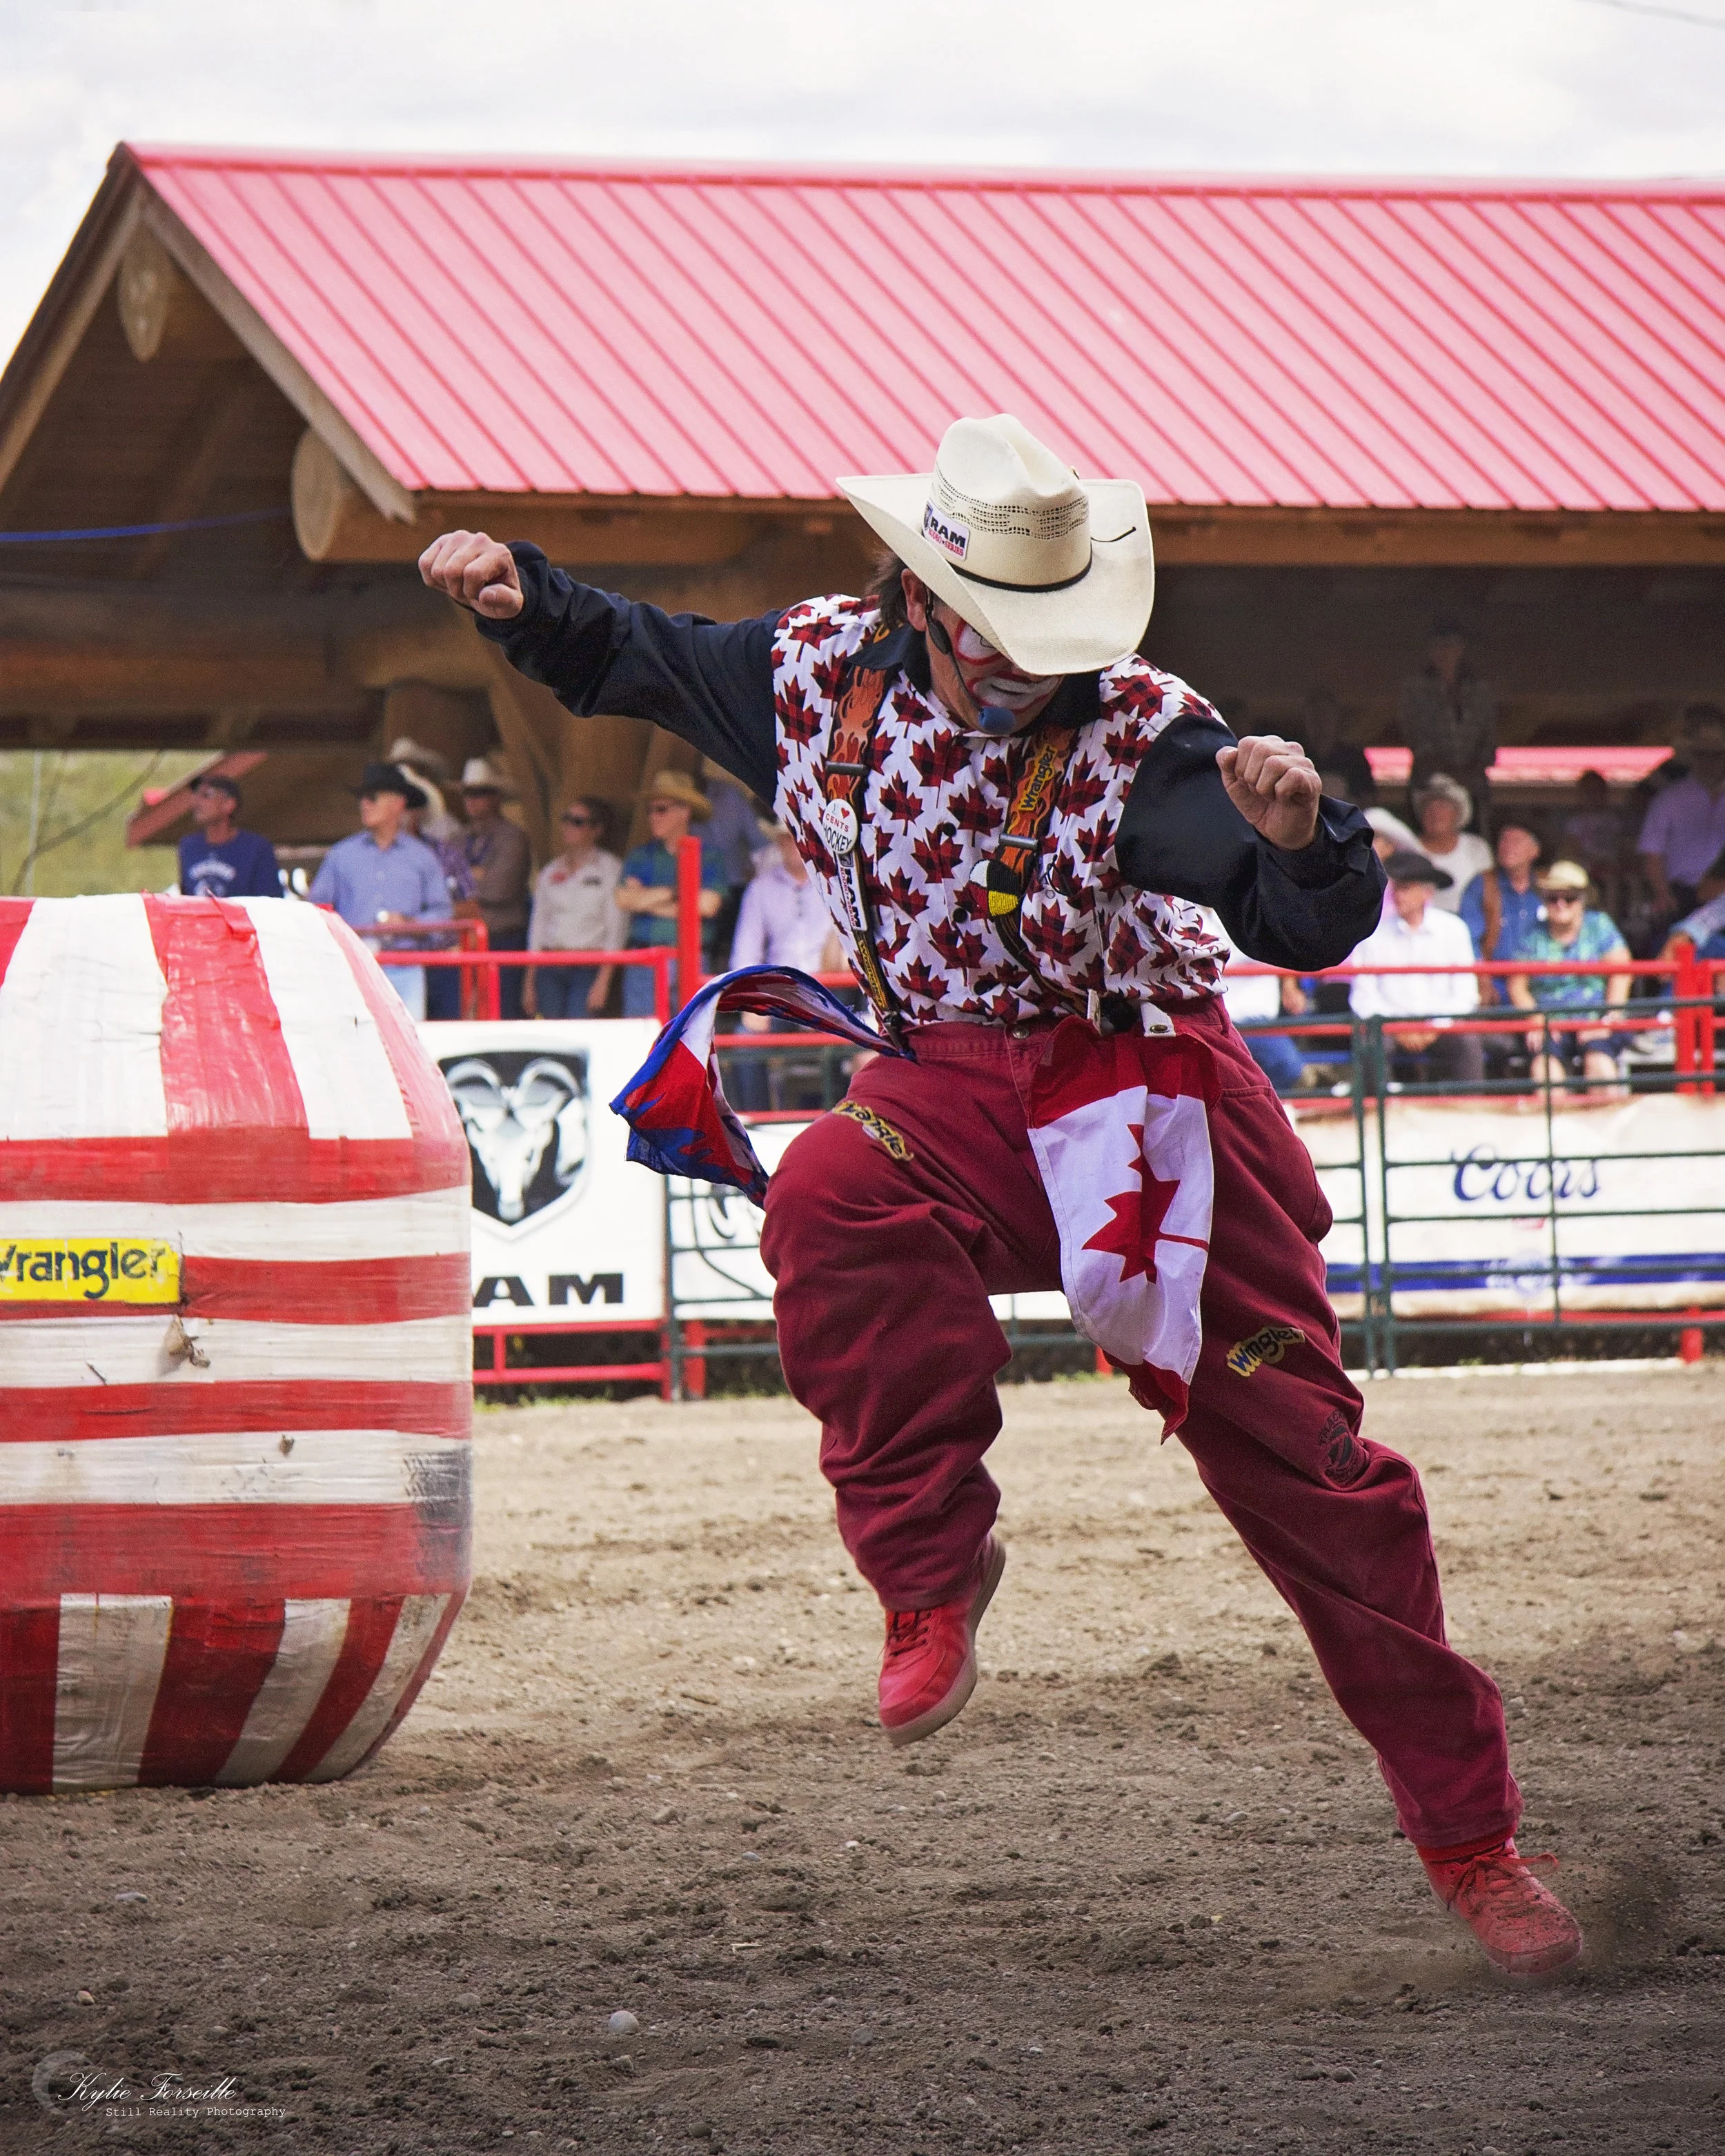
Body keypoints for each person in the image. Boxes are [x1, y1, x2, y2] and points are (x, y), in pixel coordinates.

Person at [420, 411, 1584, 1977]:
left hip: (1146, 1085)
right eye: (994, 634)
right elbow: (637, 652)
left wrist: (1301, 842)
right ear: (922, 601)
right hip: (951, 1075)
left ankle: (1475, 1840)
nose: (1020, 667)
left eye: (1045, 637)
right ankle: (930, 1571)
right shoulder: (811, 669)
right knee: (830, 1190)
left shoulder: (1153, 737)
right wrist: (519, 597)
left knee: (1310, 1469)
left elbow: (1289, 918)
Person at [308, 761, 451, 1020]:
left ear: (398, 804)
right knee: (357, 1044)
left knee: (410, 1043)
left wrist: (409, 923)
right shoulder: (341, 856)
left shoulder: (423, 858)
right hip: (353, 966)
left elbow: (443, 914)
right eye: (362, 798)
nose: (365, 804)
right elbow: (316, 911)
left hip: (406, 966)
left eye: (372, 798)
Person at [726, 824, 847, 1108]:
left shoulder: (835, 885)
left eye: (797, 838)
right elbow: (745, 954)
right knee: (746, 1038)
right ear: (779, 843)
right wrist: (750, 1002)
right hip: (780, 993)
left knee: (861, 1037)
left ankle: (845, 1121)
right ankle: (755, 1122)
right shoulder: (761, 889)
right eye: (785, 839)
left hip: (832, 992)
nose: (791, 845)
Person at [1348, 851, 1484, 1085]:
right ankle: (1376, 1114)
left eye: (1405, 888)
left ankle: (1469, 1110)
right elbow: (1363, 995)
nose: (1397, 895)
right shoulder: (1373, 934)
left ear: (1427, 893)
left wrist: (1434, 1026)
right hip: (1389, 1025)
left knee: (1467, 1042)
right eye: (1396, 888)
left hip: (1439, 1025)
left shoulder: (1453, 930)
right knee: (1371, 1044)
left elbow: (1464, 992)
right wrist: (1397, 1026)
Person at [1507, 860, 1633, 1096]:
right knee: (1544, 1069)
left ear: (1583, 899)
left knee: (1599, 1063)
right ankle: (1557, 1130)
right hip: (1549, 1022)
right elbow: (1517, 985)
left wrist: (1608, 1018)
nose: (1561, 904)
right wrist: (1536, 1020)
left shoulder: (1600, 926)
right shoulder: (1532, 934)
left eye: (1570, 897)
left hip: (1596, 1018)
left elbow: (1622, 972)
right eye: (1553, 898)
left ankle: (1605, 1127)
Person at [615, 770, 725, 1017]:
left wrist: (646, 899)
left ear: (684, 812)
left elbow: (708, 905)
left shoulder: (710, 857)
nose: (653, 817)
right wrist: (680, 893)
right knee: (643, 1042)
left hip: (692, 960)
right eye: (650, 810)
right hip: (645, 960)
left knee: (690, 1041)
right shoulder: (640, 856)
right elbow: (623, 900)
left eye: (661, 809)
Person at [525, 795, 624, 1019]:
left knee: (579, 1029)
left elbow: (616, 929)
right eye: (566, 819)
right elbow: (538, 926)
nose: (569, 826)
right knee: (551, 1033)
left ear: (597, 829)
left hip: (588, 966)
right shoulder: (550, 871)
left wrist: (603, 982)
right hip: (549, 965)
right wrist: (529, 981)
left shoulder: (611, 869)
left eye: (578, 822)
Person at [1396, 615, 1496, 825]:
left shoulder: (1480, 690)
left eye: (1450, 645)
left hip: (1474, 787)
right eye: (1438, 646)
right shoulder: (1415, 690)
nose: (1444, 652)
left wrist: (1469, 774)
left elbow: (1489, 741)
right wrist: (1451, 775)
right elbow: (1417, 740)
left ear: (1461, 648)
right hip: (1430, 788)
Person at [457, 756, 533, 1020]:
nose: (472, 800)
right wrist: (476, 876)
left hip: (503, 938)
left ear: (496, 797)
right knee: (463, 1016)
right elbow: (441, 887)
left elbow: (498, 890)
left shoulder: (513, 837)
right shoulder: (460, 838)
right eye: (468, 793)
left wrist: (461, 880)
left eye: (480, 793)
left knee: (504, 1014)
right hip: (466, 940)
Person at [1638, 706, 1725, 923]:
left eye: (1716, 755)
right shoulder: (1668, 799)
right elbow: (1653, 854)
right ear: (1692, 756)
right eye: (1702, 754)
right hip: (1682, 896)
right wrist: (1662, 893)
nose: (1709, 761)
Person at [1459, 820, 1544, 989]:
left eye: (1516, 841)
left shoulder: (1546, 887)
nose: (1507, 846)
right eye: (1504, 840)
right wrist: (1482, 978)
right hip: (1495, 984)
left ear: (1535, 851)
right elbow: (1468, 939)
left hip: (1540, 984)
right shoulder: (1482, 884)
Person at [176, 774, 280, 900]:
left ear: (229, 804)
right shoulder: (189, 846)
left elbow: (270, 902)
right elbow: (186, 897)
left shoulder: (255, 848)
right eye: (196, 795)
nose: (197, 802)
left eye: (207, 795)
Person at [1411, 775, 1492, 911]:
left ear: (1457, 814)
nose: (1436, 814)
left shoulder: (1476, 847)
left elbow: (1491, 898)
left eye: (1442, 807)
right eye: (1430, 808)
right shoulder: (1408, 847)